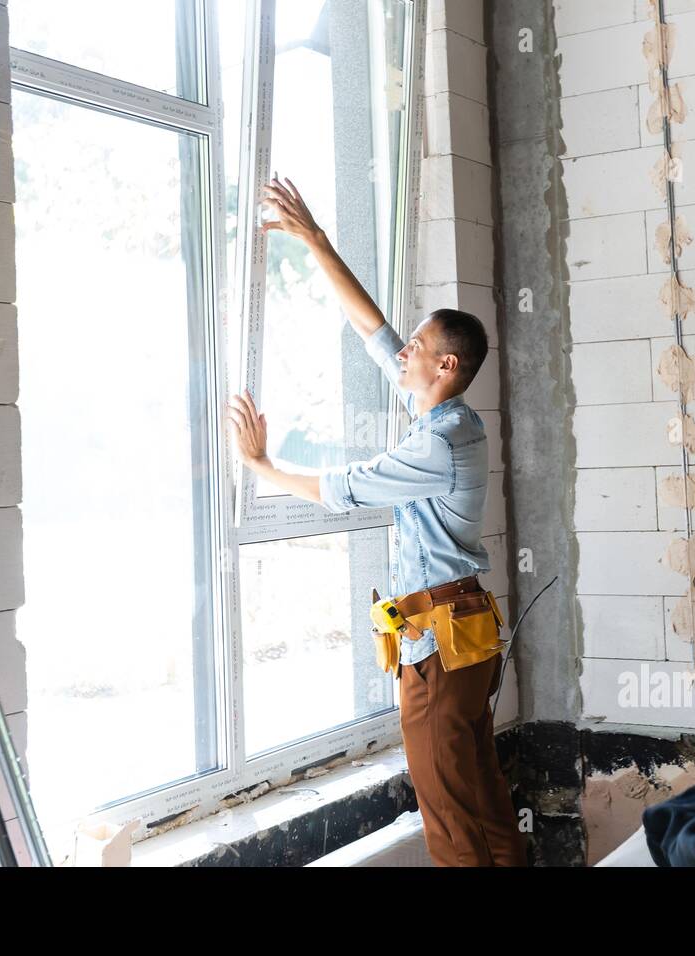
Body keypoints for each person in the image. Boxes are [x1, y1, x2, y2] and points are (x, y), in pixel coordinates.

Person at [225, 176, 527, 867]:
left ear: (445, 365)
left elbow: (347, 489)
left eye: (417, 348)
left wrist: (262, 466)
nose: (403, 353)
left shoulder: (438, 443)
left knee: (448, 814)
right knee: (482, 800)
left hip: (441, 649)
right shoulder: (452, 421)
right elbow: (372, 329)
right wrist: (314, 240)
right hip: (460, 634)